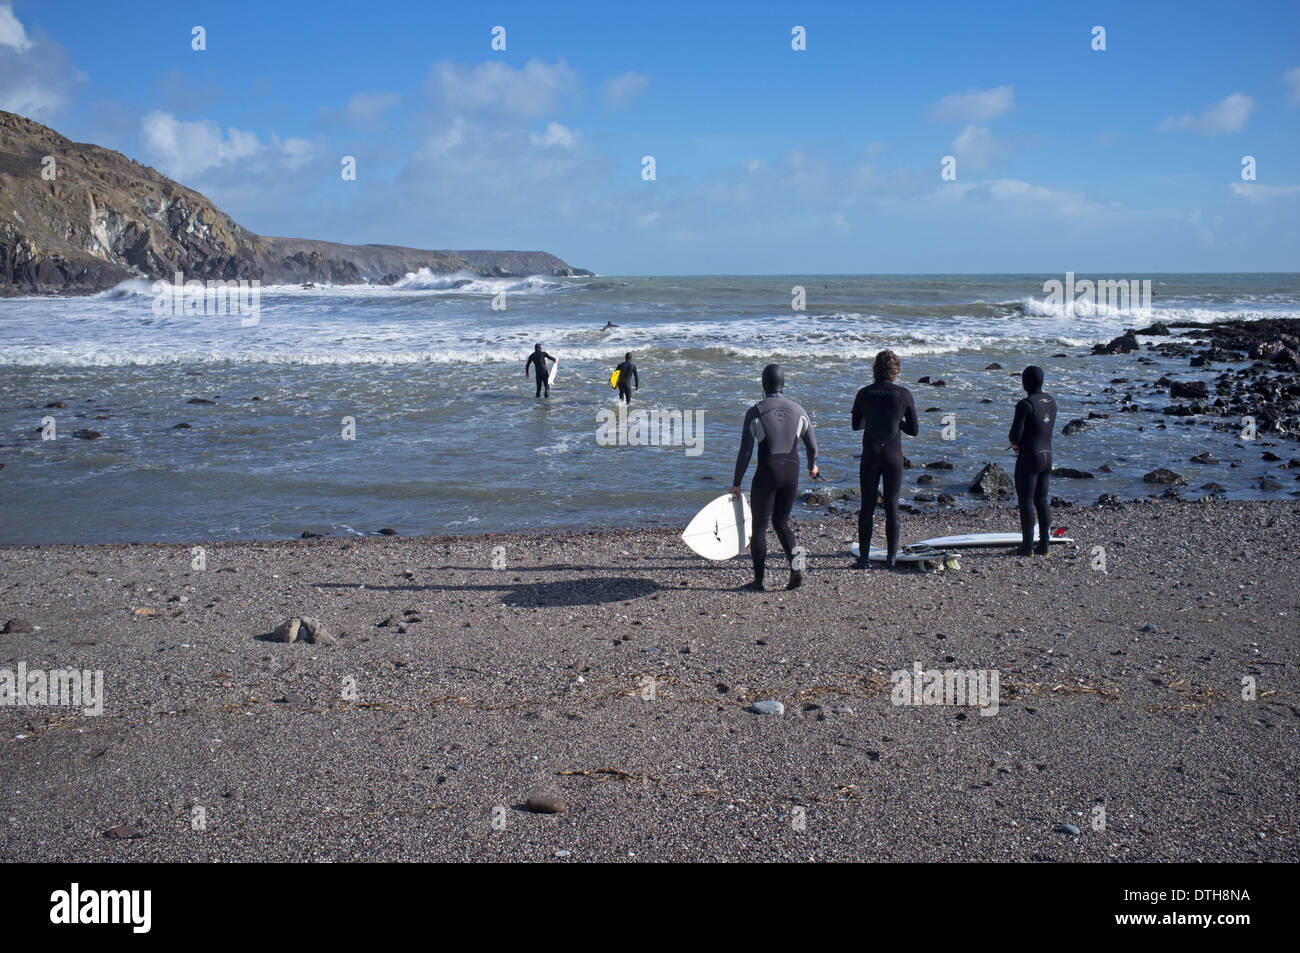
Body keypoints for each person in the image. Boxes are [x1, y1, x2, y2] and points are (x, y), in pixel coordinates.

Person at [730, 364, 818, 591]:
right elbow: (812, 445)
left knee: (759, 528)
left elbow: (746, 452)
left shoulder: (755, 411)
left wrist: (737, 482)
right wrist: (812, 466)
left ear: (763, 384)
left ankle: (759, 581)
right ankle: (797, 567)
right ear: (783, 384)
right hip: (792, 471)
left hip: (767, 471)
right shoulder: (799, 410)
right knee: (782, 523)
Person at [851, 349, 918, 569]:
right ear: (895, 370)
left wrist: (872, 421)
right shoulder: (904, 394)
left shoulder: (863, 393)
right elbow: (914, 430)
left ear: (874, 369)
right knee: (892, 505)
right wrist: (897, 423)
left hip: (870, 454)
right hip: (893, 456)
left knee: (867, 506)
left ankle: (863, 559)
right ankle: (891, 559)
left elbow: (856, 425)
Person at [1008, 365, 1056, 556]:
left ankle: (1027, 547)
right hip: (1048, 454)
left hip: (1030, 456)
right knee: (1042, 500)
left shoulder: (1025, 404)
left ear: (1024, 382)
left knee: (1026, 501)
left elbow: (1015, 437)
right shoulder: (1051, 402)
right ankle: (1044, 545)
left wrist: (1016, 445)